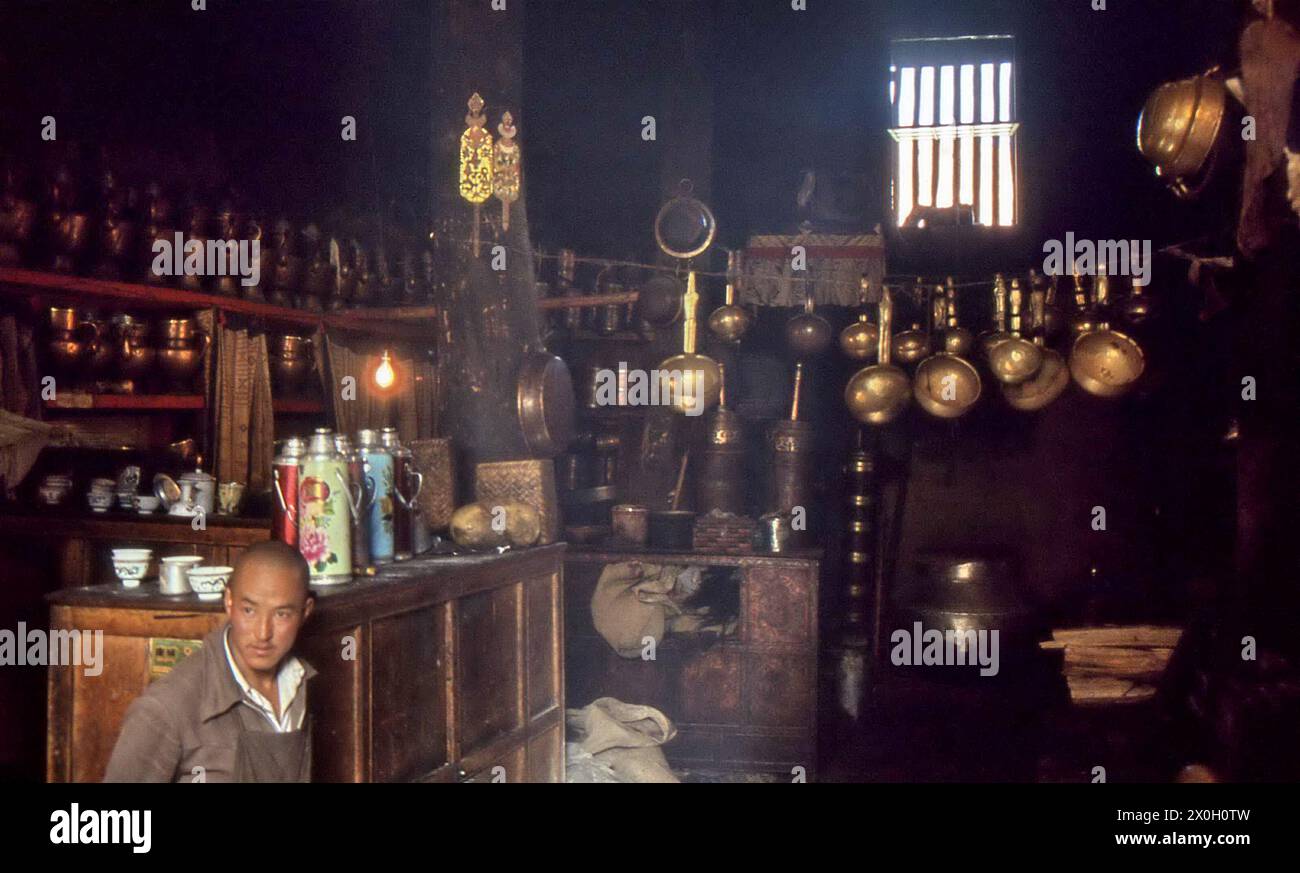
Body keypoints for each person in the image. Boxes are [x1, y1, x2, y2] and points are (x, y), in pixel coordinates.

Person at [103, 541, 316, 782]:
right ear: (229, 602)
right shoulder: (166, 707)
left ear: (305, 611)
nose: (263, 632)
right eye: (249, 610)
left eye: (282, 614)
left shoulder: (301, 683)